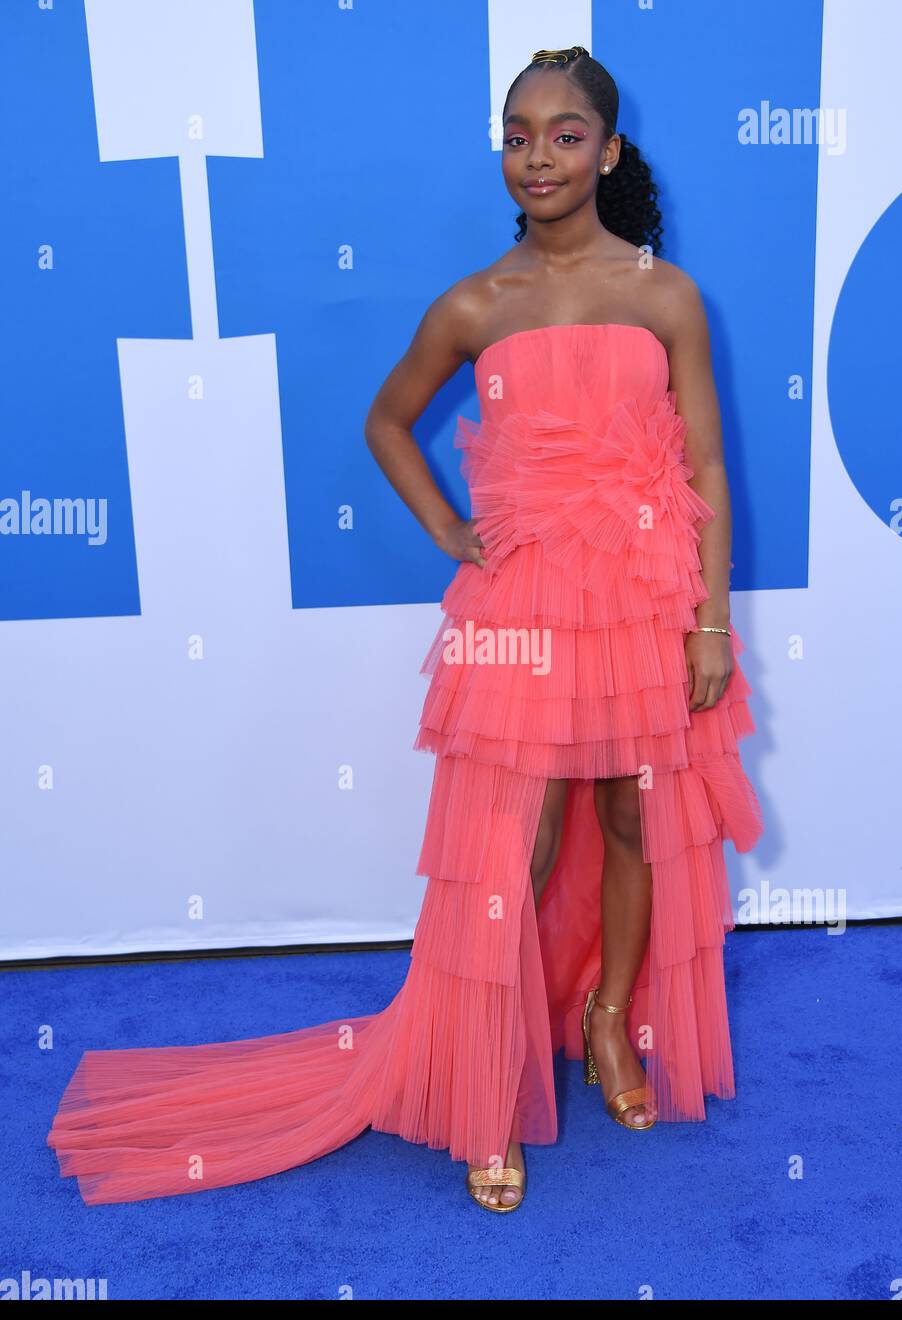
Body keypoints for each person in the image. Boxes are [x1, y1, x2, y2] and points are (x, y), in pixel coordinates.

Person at [46, 45, 762, 1213]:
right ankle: (485, 1080)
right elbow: (387, 419)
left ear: (609, 151)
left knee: (635, 816)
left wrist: (712, 621)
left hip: (643, 603)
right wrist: (451, 529)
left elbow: (711, 466)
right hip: (522, 612)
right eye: (519, 133)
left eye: (566, 133)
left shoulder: (664, 294)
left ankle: (606, 1022)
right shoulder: (475, 304)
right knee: (510, 852)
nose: (539, 154)